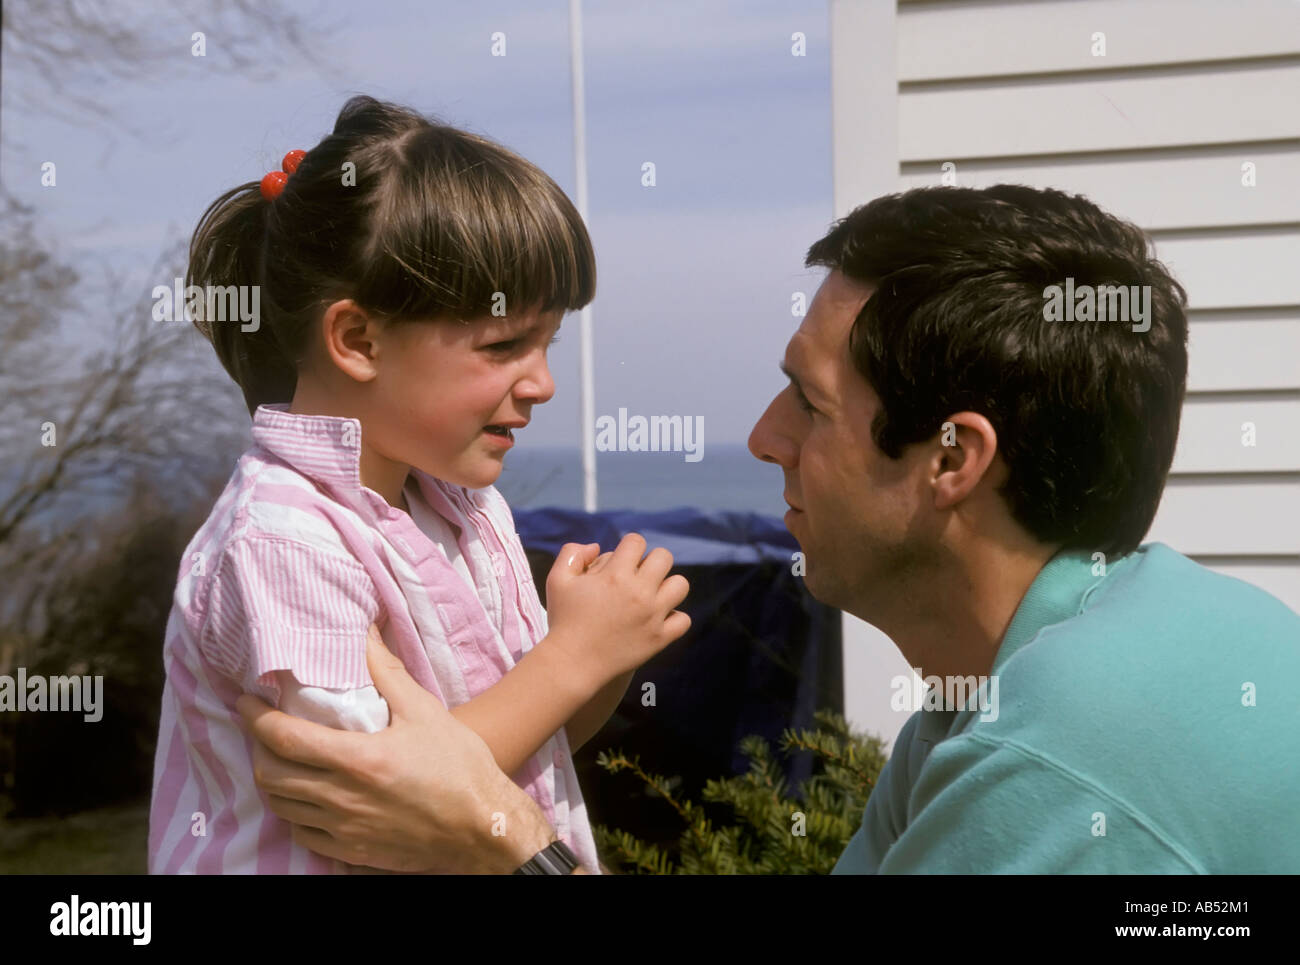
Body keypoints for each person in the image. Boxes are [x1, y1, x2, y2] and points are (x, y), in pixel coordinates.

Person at [238, 184, 1300, 874]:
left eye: (807, 401)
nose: (760, 438)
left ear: (950, 460)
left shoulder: (1061, 757)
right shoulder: (1022, 691)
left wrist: (503, 842)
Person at [148, 95, 690, 875]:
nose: (542, 382)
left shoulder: (468, 507)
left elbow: (514, 750)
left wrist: (603, 659)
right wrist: (572, 655)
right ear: (358, 338)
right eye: (505, 344)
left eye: (550, 342)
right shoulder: (282, 539)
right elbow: (386, 803)